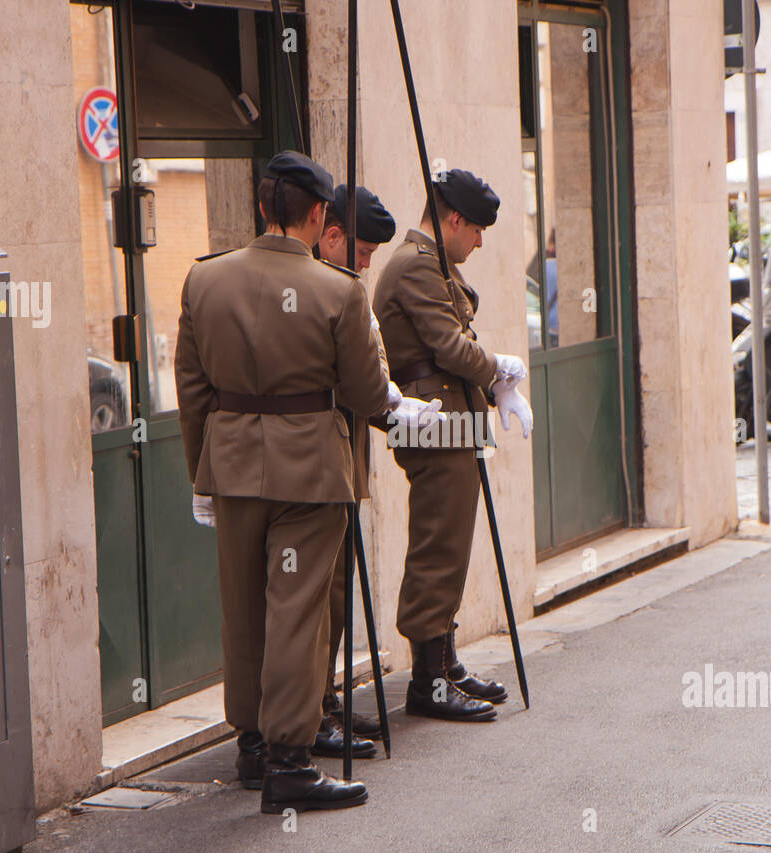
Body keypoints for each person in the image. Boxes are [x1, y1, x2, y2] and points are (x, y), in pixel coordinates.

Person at [174, 150, 397, 813]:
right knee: (296, 616)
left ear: (264, 208)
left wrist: (202, 474)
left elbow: (192, 390)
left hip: (234, 466)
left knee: (244, 612)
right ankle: (290, 763)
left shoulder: (204, 281)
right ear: (320, 213)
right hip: (310, 473)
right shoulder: (339, 290)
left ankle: (249, 746)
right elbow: (363, 392)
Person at [372, 167, 533, 723]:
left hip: (451, 421)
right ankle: (429, 680)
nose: (481, 241)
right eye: (478, 229)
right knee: (438, 548)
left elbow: (455, 341)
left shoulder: (433, 266)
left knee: (452, 546)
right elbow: (450, 347)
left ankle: (444, 660)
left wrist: (493, 383)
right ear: (455, 220)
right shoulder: (416, 266)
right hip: (432, 423)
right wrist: (500, 371)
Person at [310, 183, 441, 758]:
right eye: (361, 251)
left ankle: (321, 699)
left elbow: (374, 363)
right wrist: (386, 401)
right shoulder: (317, 291)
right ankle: (305, 713)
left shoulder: (347, 289)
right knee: (311, 600)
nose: (367, 263)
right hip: (313, 465)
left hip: (345, 463)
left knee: (336, 593)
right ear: (330, 234)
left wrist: (394, 406)